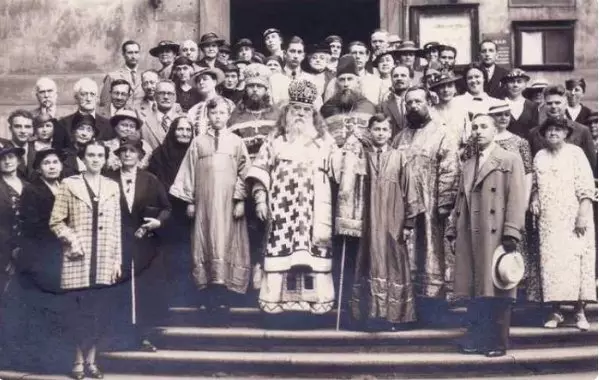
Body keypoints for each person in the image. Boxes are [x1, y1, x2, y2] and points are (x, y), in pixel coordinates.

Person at [246, 79, 336, 317]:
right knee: (280, 251)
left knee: (313, 251)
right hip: (282, 208)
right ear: (287, 111)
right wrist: (261, 200)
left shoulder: (325, 140)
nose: (301, 114)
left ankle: (318, 301)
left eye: (306, 110)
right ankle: (275, 301)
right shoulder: (274, 139)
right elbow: (260, 171)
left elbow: (339, 169)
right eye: (296, 109)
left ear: (313, 113)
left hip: (313, 208)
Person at [446, 113, 526, 358]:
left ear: (494, 130)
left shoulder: (509, 159)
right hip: (470, 231)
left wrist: (512, 231)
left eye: (483, 127)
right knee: (475, 290)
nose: (478, 131)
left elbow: (517, 197)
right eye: (475, 127)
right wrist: (452, 229)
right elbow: (460, 199)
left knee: (497, 288)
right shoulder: (469, 163)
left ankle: (498, 342)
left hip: (496, 231)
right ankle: (478, 339)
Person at [170, 97, 250, 321]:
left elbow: (245, 173)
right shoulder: (197, 143)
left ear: (228, 115)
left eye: (222, 113)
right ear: (208, 116)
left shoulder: (236, 142)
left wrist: (241, 200)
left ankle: (226, 299)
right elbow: (189, 173)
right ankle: (208, 299)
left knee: (228, 242)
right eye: (213, 113)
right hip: (204, 203)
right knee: (205, 242)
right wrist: (191, 201)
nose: (218, 117)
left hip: (228, 204)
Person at [49, 140, 122, 379]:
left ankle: (92, 362)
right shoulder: (69, 185)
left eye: (100, 155)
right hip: (77, 259)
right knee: (77, 312)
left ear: (105, 158)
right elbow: (56, 221)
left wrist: (116, 260)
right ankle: (77, 361)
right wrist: (72, 240)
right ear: (83, 158)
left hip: (103, 259)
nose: (95, 159)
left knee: (98, 312)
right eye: (91, 155)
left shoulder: (112, 186)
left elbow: (116, 227)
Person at [392, 86, 460, 323]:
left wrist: (445, 202)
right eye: (409, 103)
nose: (413, 106)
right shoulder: (399, 137)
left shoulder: (442, 133)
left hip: (432, 208)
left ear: (428, 103)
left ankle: (434, 310)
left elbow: (451, 168)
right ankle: (409, 308)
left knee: (432, 253)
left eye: (418, 102)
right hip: (404, 207)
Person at [350, 114, 422, 331]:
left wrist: (409, 221)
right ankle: (368, 315)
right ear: (369, 131)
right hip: (369, 222)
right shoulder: (362, 156)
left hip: (393, 220)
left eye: (384, 129)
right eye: (376, 129)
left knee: (394, 262)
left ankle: (394, 316)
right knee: (368, 260)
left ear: (390, 132)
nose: (380, 133)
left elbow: (410, 190)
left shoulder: (399, 157)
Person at [106, 135, 171, 352]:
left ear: (140, 156)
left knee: (144, 289)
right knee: (119, 287)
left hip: (144, 242)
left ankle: (144, 336)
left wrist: (157, 222)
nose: (127, 155)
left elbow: (166, 208)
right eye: (123, 151)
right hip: (116, 241)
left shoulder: (150, 180)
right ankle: (119, 335)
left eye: (132, 151)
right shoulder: (108, 179)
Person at [530, 118, 596, 330]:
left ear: (566, 133)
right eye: (549, 130)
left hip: (573, 217)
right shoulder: (540, 156)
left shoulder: (576, 153)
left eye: (558, 130)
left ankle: (579, 312)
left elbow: (586, 187)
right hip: (549, 220)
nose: (553, 133)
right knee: (552, 263)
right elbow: (535, 185)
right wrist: (534, 199)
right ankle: (555, 311)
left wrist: (583, 215)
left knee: (576, 261)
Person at [488, 101, 538, 302]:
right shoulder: (482, 140)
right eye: (498, 114)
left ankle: (517, 292)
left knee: (515, 242)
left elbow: (527, 173)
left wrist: (524, 201)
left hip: (513, 198)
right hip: (490, 201)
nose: (502, 118)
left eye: (506, 114)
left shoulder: (520, 142)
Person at [147, 116, 194, 306]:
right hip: (167, 211)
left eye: (188, 130)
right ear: (172, 131)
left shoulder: (195, 152)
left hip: (191, 211)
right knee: (169, 255)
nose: (184, 133)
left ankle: (189, 297)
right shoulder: (160, 155)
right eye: (180, 129)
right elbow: (154, 183)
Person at [20, 149, 64, 294]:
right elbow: (32, 226)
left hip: (64, 251)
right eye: (46, 163)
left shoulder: (64, 187)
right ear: (39, 169)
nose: (52, 167)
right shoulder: (31, 190)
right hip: (43, 252)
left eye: (55, 162)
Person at [528, 85, 596, 176]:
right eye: (549, 103)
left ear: (566, 104)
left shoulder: (582, 131)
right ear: (544, 105)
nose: (553, 106)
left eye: (557, 102)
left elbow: (591, 166)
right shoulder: (533, 133)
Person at [228, 63, 279, 160]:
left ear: (266, 90)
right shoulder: (236, 115)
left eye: (259, 86)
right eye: (251, 86)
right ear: (246, 89)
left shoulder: (276, 114)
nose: (255, 90)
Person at [0, 142, 28, 301]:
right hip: (3, 251)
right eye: (2, 158)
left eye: (11, 157)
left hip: (27, 250)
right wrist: (10, 249)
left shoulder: (29, 186)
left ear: (18, 160)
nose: (7, 161)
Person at [58, 78, 115, 144]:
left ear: (96, 98)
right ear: (76, 97)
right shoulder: (63, 124)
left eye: (92, 94)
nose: (88, 99)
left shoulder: (108, 125)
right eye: (84, 94)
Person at [429, 72, 471, 156]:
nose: (446, 90)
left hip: (458, 157)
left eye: (450, 86)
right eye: (442, 87)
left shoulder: (462, 112)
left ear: (455, 89)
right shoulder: (430, 113)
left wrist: (456, 155)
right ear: (436, 90)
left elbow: (467, 141)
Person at [139, 79, 185, 151]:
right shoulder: (143, 122)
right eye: (161, 93)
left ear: (175, 97)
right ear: (154, 96)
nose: (166, 97)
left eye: (169, 93)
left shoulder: (185, 120)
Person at [187, 68, 233, 135]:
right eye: (198, 81)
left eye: (205, 79)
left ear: (214, 82)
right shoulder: (193, 110)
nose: (201, 82)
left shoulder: (228, 104)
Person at [100, 40, 143, 107]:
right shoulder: (112, 76)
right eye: (130, 53)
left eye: (136, 52)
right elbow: (104, 102)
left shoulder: (144, 76)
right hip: (120, 116)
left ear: (139, 54)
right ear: (123, 55)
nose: (133, 56)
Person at [501, 69, 539, 139]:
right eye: (512, 81)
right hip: (503, 145)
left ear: (525, 85)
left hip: (526, 146)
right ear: (506, 85)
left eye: (519, 81)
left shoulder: (532, 106)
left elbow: (534, 131)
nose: (515, 85)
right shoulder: (499, 104)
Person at [378, 64, 412, 139]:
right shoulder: (383, 105)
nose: (399, 78)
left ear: (410, 79)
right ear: (391, 79)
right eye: (395, 76)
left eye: (403, 75)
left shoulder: (417, 101)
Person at [1, 110, 36, 180]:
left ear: (32, 130)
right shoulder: (2, 151)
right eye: (18, 126)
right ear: (10, 129)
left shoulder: (37, 150)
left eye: (27, 127)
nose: (23, 131)